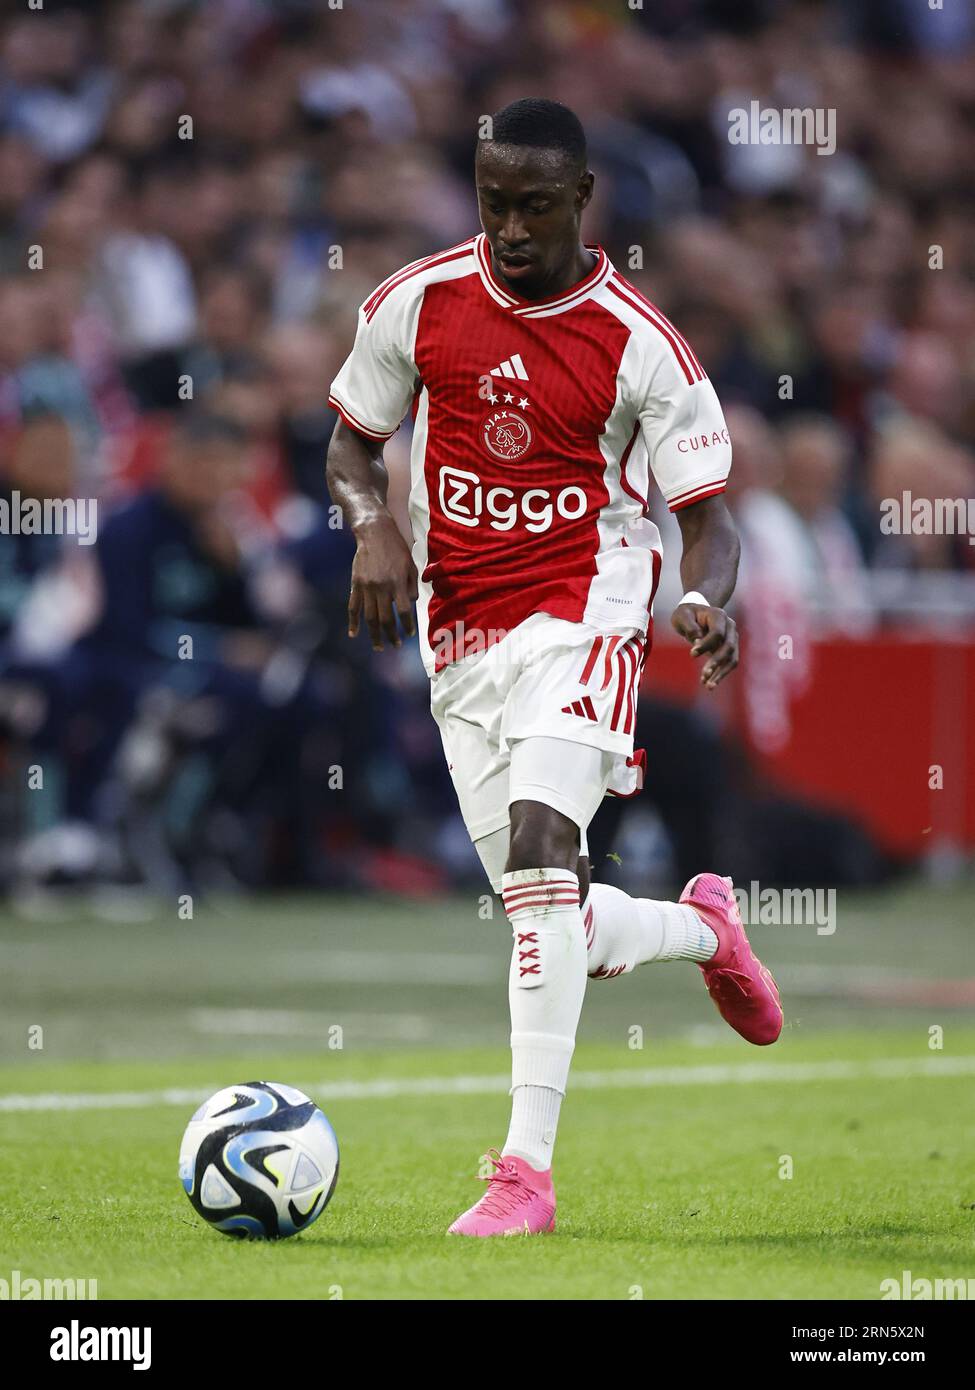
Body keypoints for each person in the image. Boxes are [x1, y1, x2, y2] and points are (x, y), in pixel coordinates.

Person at [326, 98, 782, 1239]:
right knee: (553, 915)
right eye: (493, 203)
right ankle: (700, 929)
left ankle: (523, 1174)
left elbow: (710, 524)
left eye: (536, 206)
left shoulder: (643, 346)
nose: (513, 228)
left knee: (541, 860)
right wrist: (368, 522)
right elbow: (349, 441)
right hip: (461, 636)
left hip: (588, 619)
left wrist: (698, 602)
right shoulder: (418, 303)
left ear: (584, 201)